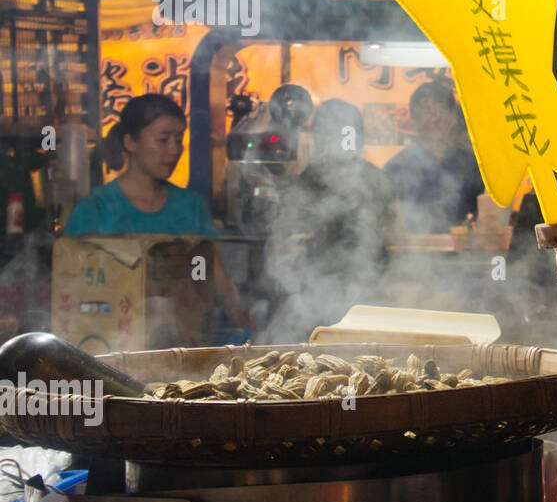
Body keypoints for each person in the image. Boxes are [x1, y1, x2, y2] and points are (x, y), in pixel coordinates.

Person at [63, 93, 245, 319]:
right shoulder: (96, 210)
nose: (174, 149)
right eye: (163, 139)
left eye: (179, 139)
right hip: (113, 336)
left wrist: (241, 317)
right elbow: (71, 286)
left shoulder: (190, 208)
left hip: (184, 339)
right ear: (130, 142)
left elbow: (211, 273)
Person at [265, 99, 399, 339]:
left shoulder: (377, 180)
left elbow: (393, 230)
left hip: (369, 289)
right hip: (315, 293)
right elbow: (285, 238)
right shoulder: (305, 183)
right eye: (327, 131)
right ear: (317, 137)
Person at [383, 81, 483, 234]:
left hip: (464, 254)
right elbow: (386, 223)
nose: (435, 119)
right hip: (411, 254)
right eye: (427, 111)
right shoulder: (395, 167)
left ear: (454, 116)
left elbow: (485, 219)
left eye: (441, 111)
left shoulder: (473, 165)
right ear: (414, 120)